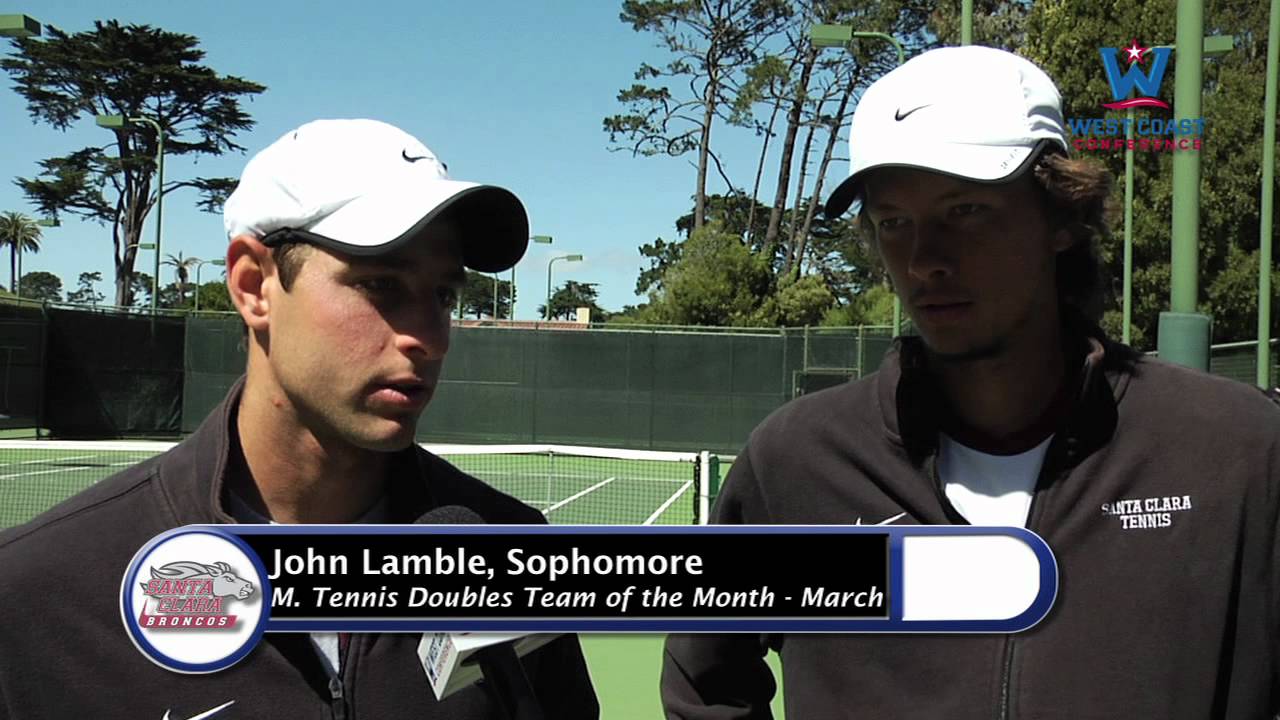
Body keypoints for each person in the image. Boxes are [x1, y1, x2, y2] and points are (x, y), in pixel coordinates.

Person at [661, 46, 1278, 719]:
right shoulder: (797, 463)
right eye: (894, 222)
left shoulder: (1240, 453)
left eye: (965, 211)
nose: (924, 259)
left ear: (1063, 217)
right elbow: (707, 683)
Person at [0, 119, 599, 719]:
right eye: (381, 284)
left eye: (444, 294)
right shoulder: (37, 593)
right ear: (254, 285)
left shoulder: (513, 551)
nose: (428, 338)